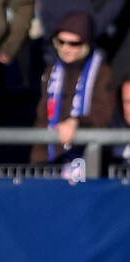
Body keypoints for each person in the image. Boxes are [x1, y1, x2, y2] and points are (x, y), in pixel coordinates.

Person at [32, 11, 116, 170]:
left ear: (86, 43)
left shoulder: (102, 72)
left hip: (88, 164)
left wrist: (77, 123)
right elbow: (42, 118)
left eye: (73, 43)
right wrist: (37, 163)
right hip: (51, 163)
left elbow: (103, 115)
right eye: (61, 41)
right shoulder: (51, 72)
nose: (66, 48)